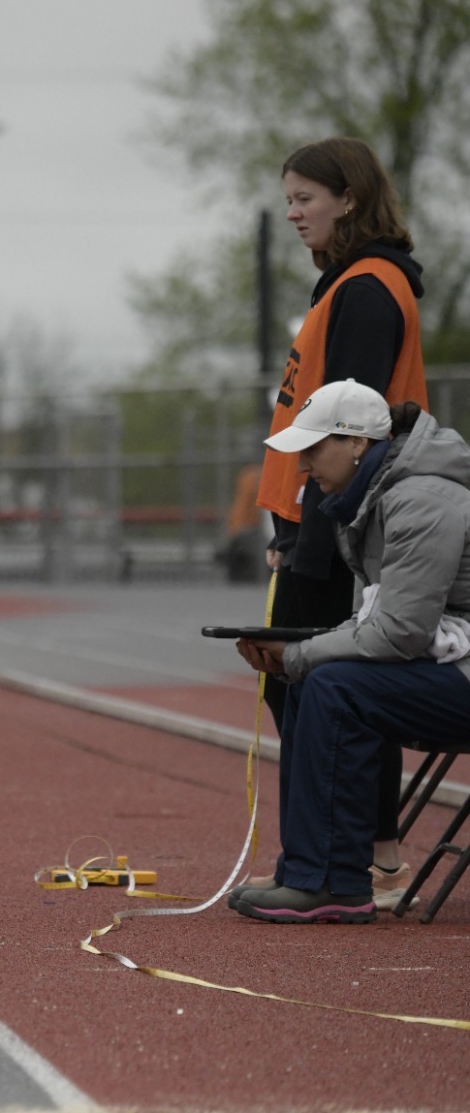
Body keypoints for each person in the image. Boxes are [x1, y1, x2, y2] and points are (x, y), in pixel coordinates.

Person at [253, 136, 426, 897]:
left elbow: (350, 429)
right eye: (288, 199)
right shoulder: (346, 283)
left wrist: (315, 539)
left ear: (348, 198)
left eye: (305, 198)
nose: (292, 213)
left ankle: (352, 858)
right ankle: (375, 855)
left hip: (339, 526)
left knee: (318, 686)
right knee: (305, 683)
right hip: (310, 520)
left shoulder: (366, 287)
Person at [233, 381, 470, 923]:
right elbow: (382, 622)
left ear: (358, 443)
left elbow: (400, 632)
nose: (302, 466)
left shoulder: (420, 498)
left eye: (313, 449)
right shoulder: (380, 493)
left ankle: (332, 881)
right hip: (454, 662)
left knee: (335, 686)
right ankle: (304, 869)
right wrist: (297, 654)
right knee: (314, 675)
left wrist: (301, 654)